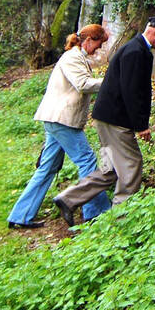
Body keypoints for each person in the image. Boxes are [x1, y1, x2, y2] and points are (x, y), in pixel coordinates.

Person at [53, 15, 155, 225]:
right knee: (131, 164)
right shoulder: (135, 52)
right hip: (115, 120)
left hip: (108, 117)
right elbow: (131, 91)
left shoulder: (139, 50)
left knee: (111, 171)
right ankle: (120, 220)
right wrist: (141, 126)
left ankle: (68, 199)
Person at [7, 24, 113, 229]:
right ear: (89, 40)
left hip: (56, 118)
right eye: (98, 45)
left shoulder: (76, 57)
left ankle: (20, 216)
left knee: (48, 167)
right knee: (87, 161)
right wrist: (111, 81)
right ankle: (95, 212)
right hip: (62, 119)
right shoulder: (73, 57)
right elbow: (82, 84)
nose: (98, 50)